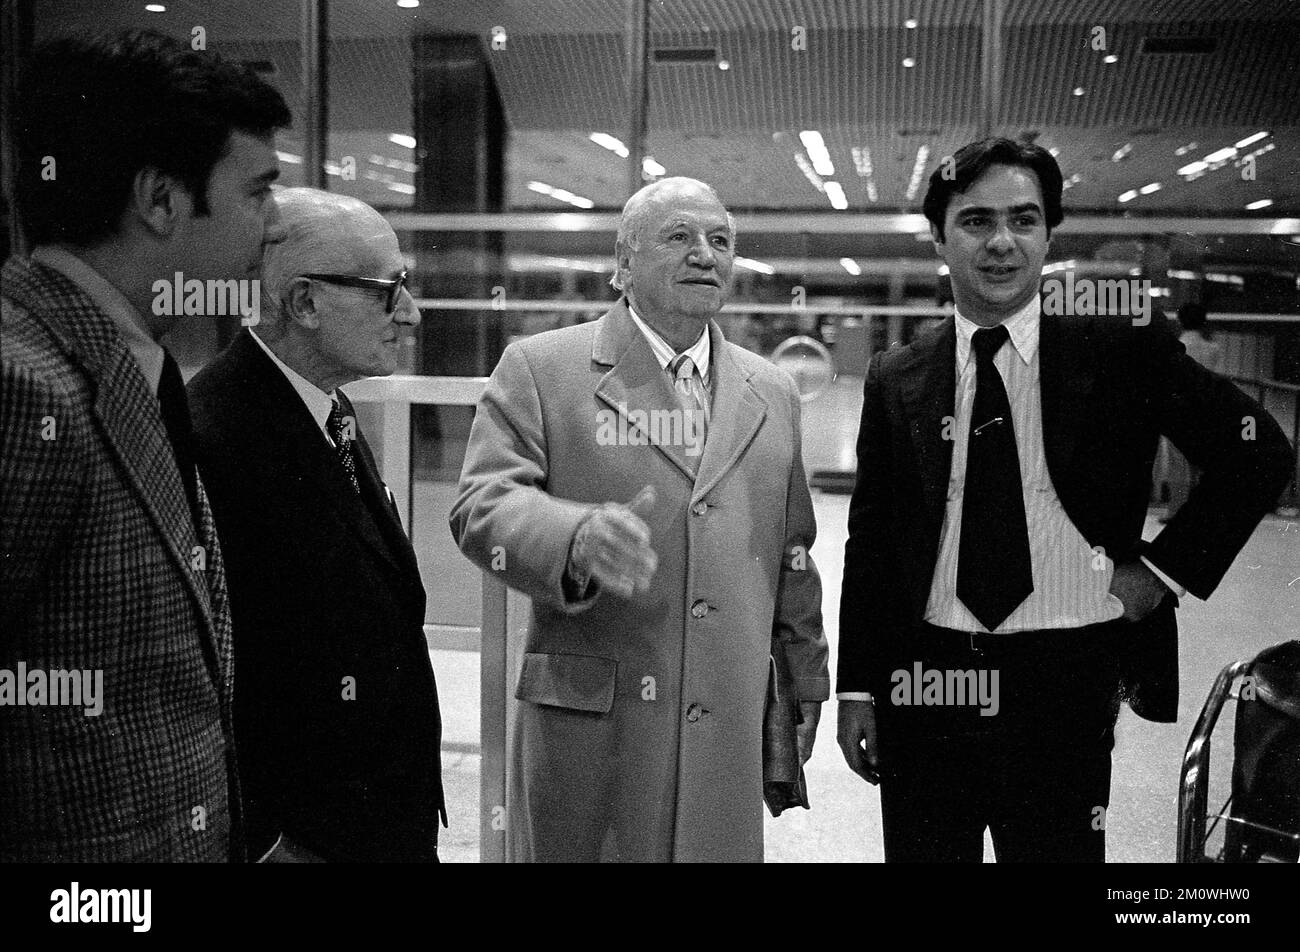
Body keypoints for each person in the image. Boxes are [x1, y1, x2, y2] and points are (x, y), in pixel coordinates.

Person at [836, 137, 1292, 862]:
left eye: (1024, 219)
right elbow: (873, 539)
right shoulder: (899, 374)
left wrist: (1161, 575)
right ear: (939, 237)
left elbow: (1257, 451)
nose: (1002, 243)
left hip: (1062, 684)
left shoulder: (1117, 347)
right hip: (927, 680)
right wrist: (858, 685)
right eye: (977, 221)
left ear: (1049, 233)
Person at [450, 176, 828, 862]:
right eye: (679, 237)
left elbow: (790, 549)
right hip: (594, 721)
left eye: (720, 240)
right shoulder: (542, 368)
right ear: (622, 266)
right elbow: (482, 504)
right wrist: (573, 536)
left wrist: (805, 677)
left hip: (728, 717)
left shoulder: (771, 390)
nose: (705, 255)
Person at [0, 30, 289, 861]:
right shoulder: (24, 385)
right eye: (257, 193)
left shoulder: (126, 362)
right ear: (161, 200)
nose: (273, 228)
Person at [188, 187, 444, 862]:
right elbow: (199, 668)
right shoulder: (213, 435)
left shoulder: (326, 410)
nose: (410, 313)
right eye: (386, 290)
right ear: (304, 303)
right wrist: (267, 839)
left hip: (378, 823)